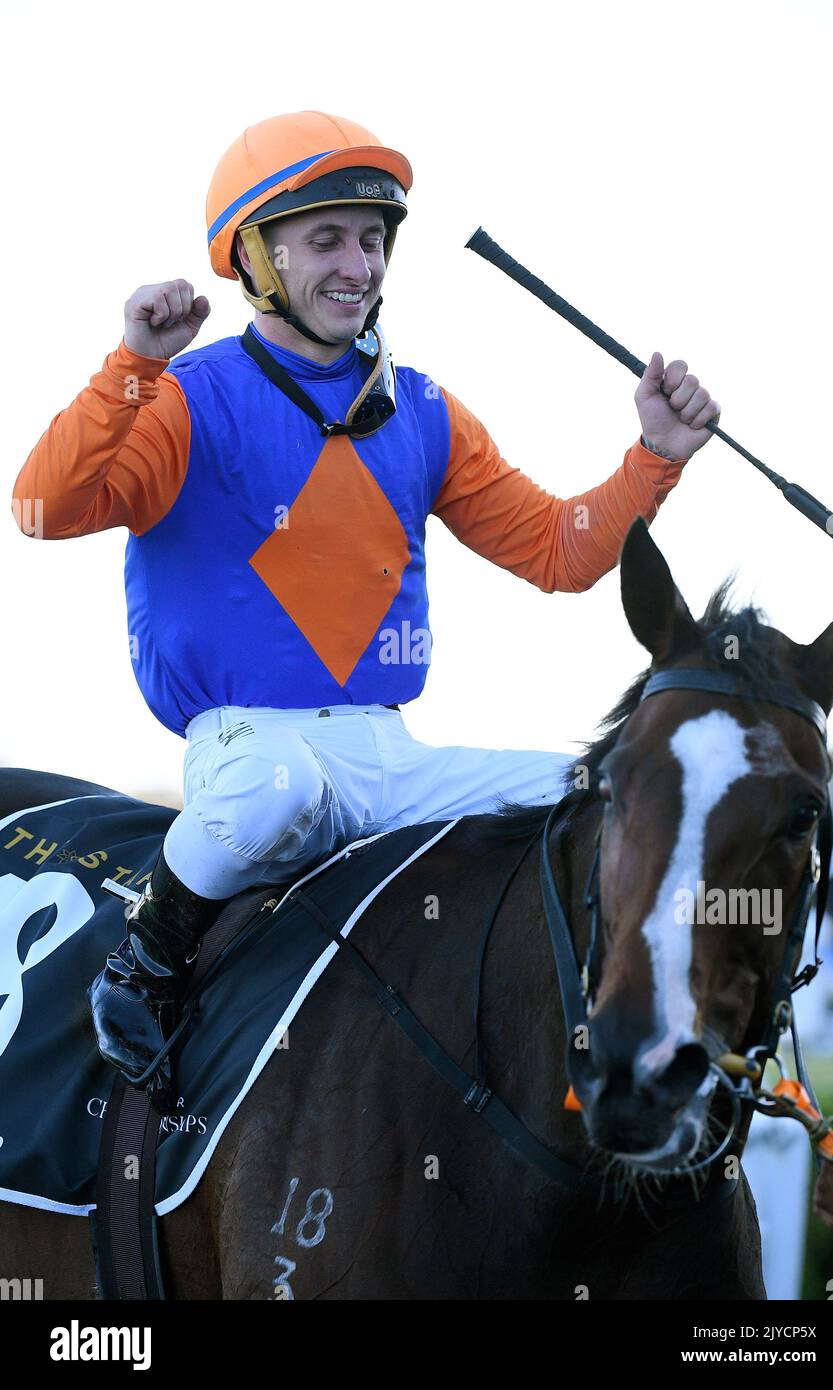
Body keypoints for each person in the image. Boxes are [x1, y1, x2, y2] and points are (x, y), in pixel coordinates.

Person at [12, 110, 721, 1101]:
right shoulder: (181, 397)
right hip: (245, 751)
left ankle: (610, 1058)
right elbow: (43, 509)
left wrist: (652, 458)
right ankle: (144, 961)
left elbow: (560, 553)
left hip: (389, 755)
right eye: (325, 239)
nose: (358, 263)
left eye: (373, 239)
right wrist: (131, 364)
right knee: (275, 792)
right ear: (253, 256)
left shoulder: (424, 408)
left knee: (605, 793)